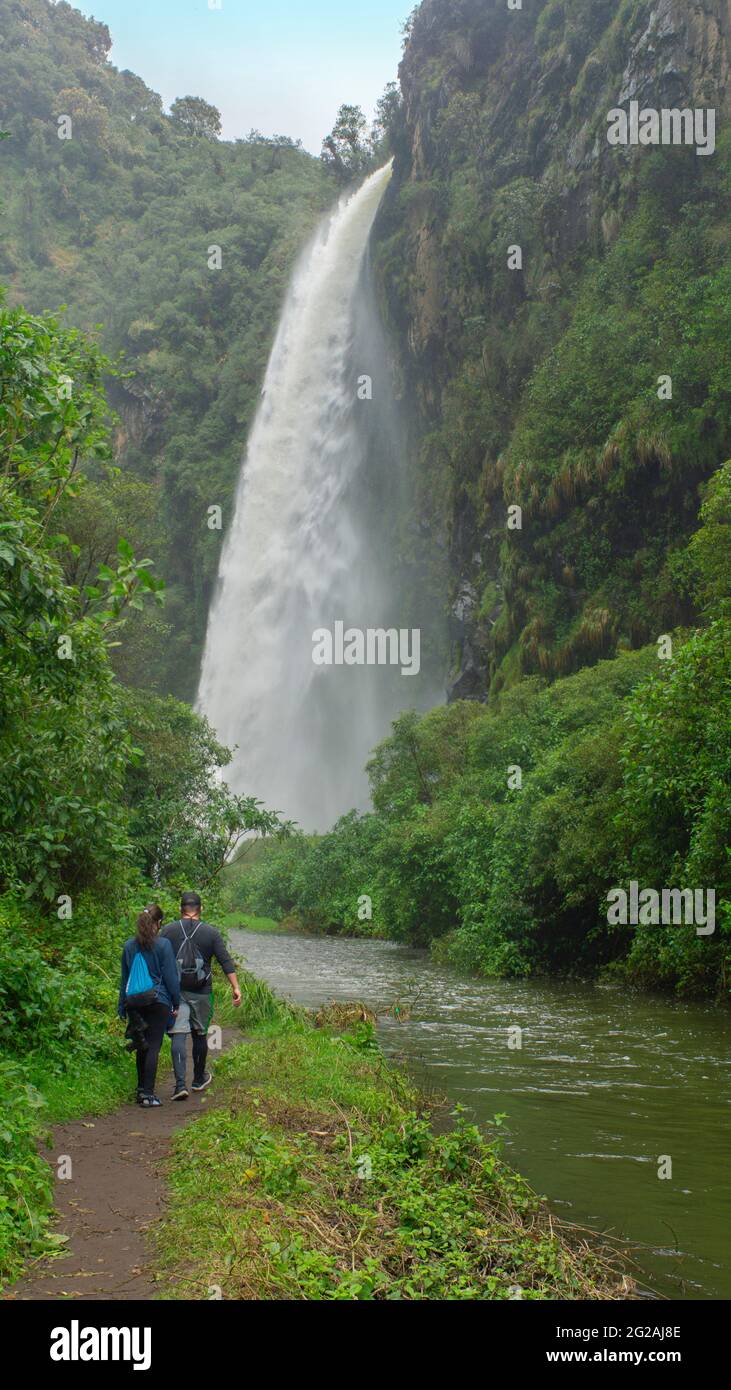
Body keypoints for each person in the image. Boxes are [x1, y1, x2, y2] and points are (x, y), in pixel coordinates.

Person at [162, 892, 241, 1101]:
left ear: (181, 909)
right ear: (200, 909)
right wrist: (236, 987)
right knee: (199, 1034)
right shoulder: (211, 933)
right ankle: (198, 1079)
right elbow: (225, 961)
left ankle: (180, 1085)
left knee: (178, 1034)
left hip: (175, 991)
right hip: (202, 991)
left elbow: (158, 958)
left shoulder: (168, 930)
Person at [118, 904, 180, 1108]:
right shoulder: (163, 945)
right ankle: (148, 1094)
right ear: (158, 923)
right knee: (153, 1045)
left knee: (141, 1045)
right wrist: (176, 1001)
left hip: (135, 1003)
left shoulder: (129, 946)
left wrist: (122, 1006)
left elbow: (125, 979)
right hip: (158, 1000)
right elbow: (171, 976)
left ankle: (140, 1090)